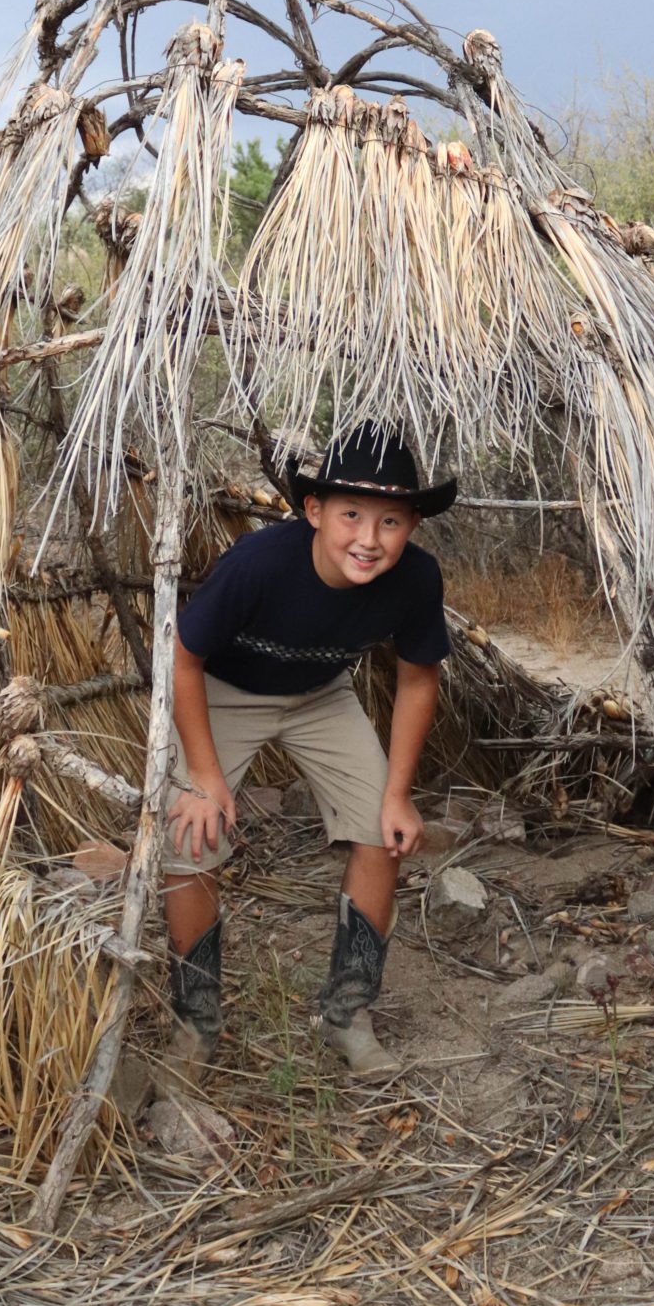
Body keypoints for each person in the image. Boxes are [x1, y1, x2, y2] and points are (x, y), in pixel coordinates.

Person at [161, 426, 456, 1084]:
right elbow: (184, 657)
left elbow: (417, 677)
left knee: (380, 834)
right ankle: (194, 1022)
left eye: (390, 521)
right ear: (314, 511)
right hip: (223, 692)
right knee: (188, 835)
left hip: (321, 695)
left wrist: (397, 793)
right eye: (350, 514)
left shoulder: (414, 579)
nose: (368, 538)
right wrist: (205, 778)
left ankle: (346, 1015)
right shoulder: (259, 563)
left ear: (411, 525)